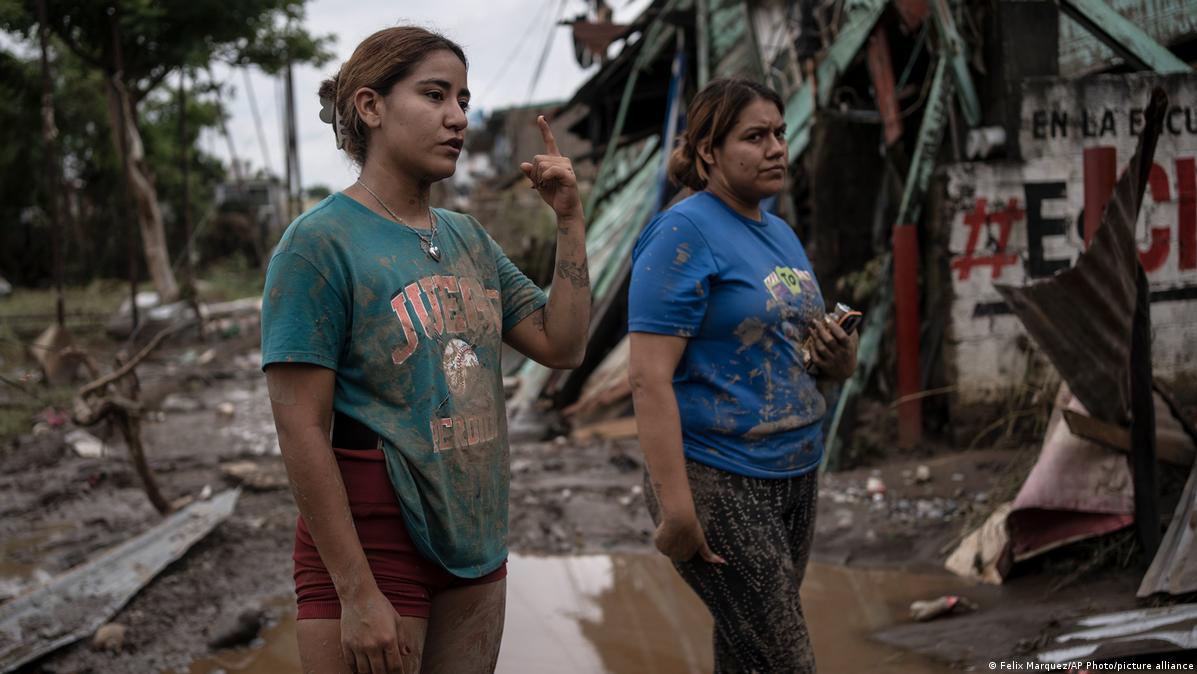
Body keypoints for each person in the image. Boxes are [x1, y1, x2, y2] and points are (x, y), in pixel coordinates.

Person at [260, 26, 590, 674]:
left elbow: (563, 344)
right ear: (370, 106)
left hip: (474, 537)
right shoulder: (318, 244)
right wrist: (356, 593)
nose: (457, 118)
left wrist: (570, 222)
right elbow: (300, 430)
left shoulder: (468, 237)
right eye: (435, 95)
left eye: (463, 100)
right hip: (374, 547)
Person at [627, 77, 858, 673]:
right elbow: (649, 378)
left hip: (796, 469)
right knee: (787, 662)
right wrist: (677, 509)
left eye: (780, 133)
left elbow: (793, 355)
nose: (777, 148)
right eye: (755, 137)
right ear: (709, 151)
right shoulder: (682, 232)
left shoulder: (778, 231)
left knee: (747, 654)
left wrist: (838, 359)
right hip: (719, 479)